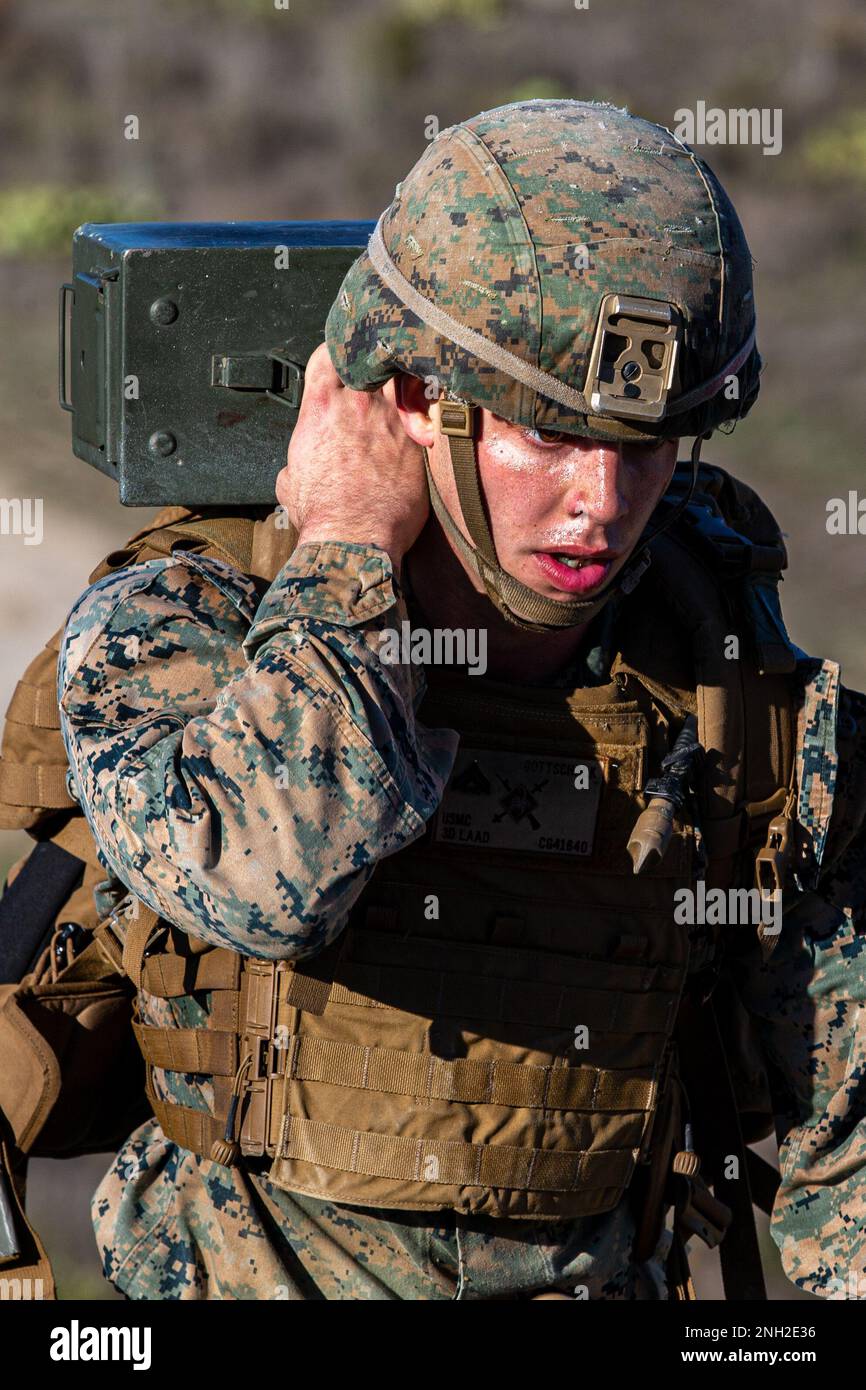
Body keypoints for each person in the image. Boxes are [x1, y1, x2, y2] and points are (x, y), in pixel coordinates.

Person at [35, 99, 866, 1300]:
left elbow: (841, 1126)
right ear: (412, 401)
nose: (599, 500)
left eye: (644, 444)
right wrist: (348, 546)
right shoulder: (192, 614)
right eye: (547, 431)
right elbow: (267, 875)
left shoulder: (721, 669)